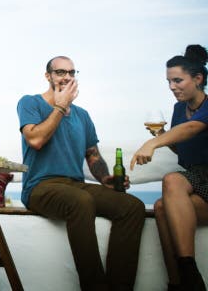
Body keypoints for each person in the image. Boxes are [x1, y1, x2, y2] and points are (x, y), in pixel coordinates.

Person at [17, 56, 146, 291]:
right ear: (48, 76)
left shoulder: (82, 115)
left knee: (132, 207)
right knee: (81, 201)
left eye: (72, 72)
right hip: (40, 187)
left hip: (75, 184)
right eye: (60, 72)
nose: (67, 77)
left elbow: (92, 155)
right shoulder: (30, 103)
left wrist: (105, 178)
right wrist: (59, 107)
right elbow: (35, 139)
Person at [131, 44, 208, 291]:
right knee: (162, 208)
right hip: (198, 183)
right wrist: (163, 134)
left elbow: (192, 129)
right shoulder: (178, 109)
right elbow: (181, 145)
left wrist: (153, 142)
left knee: (172, 180)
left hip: (204, 177)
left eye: (177, 80)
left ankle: (189, 273)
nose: (172, 87)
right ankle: (178, 284)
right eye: (169, 82)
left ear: (198, 79)